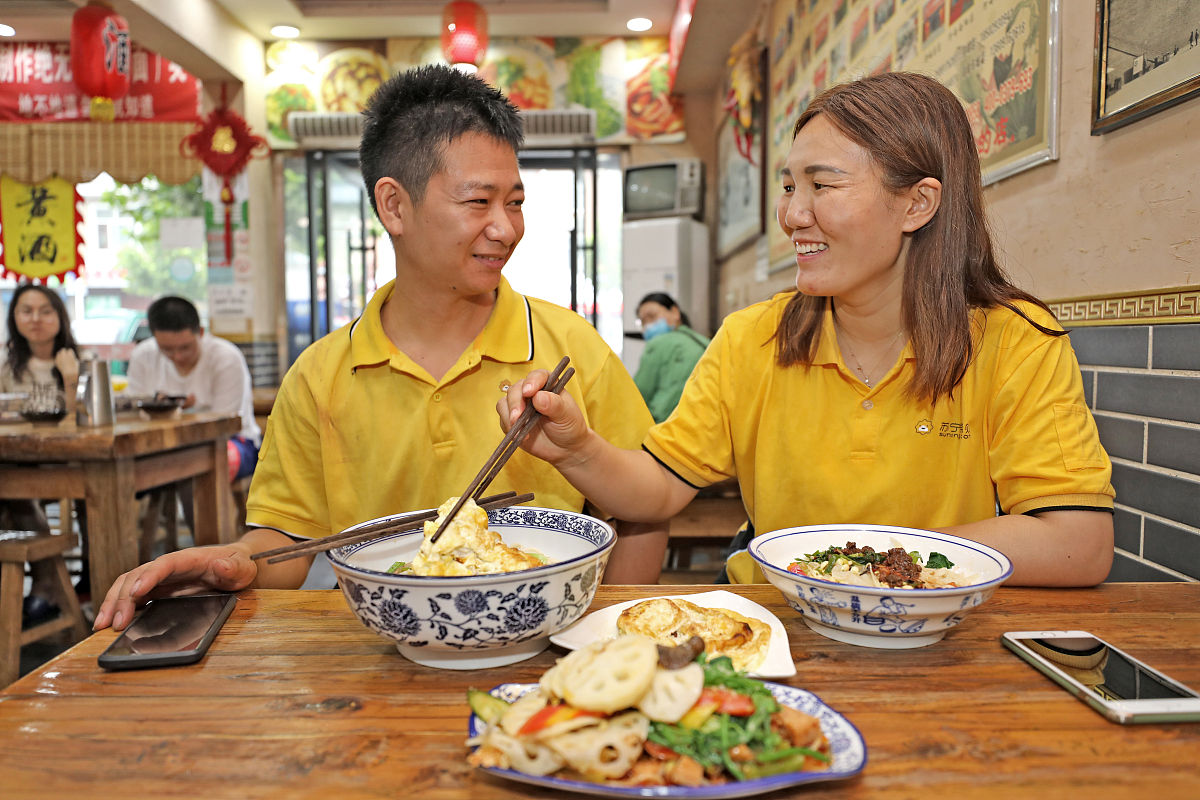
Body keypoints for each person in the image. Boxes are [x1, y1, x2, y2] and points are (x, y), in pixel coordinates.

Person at [94, 64, 666, 632]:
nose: (506, 228)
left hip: (545, 652)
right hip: (376, 656)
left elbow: (645, 511)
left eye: (514, 202)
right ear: (393, 205)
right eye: (478, 201)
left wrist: (604, 642)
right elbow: (287, 538)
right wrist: (230, 562)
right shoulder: (321, 374)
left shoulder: (571, 348)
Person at [501, 72, 1114, 587]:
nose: (794, 214)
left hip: (931, 640)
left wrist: (872, 566)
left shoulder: (1015, 341)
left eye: (823, 185)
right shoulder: (752, 338)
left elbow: (1078, 543)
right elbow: (659, 488)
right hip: (773, 629)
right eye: (790, 186)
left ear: (917, 204)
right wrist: (577, 450)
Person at [1, 284, 82, 623]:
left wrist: (70, 380)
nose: (35, 319)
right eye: (26, 311)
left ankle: (48, 585)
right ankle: (43, 586)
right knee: (11, 493)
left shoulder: (79, 360)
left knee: (15, 495)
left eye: (45, 311)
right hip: (16, 461)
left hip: (73, 463)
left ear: (59, 317)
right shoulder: (6, 366)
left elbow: (86, 421)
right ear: (14, 318)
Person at [126, 295, 261, 482]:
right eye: (167, 349)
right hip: (162, 445)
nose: (177, 356)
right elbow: (134, 413)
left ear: (201, 332)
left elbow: (223, 426)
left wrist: (178, 411)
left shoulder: (225, 358)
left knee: (206, 463)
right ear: (154, 337)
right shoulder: (143, 355)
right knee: (128, 467)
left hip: (235, 441)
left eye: (185, 348)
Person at [633, 292, 710, 422]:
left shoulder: (657, 344)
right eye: (643, 321)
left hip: (663, 425)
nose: (648, 325)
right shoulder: (706, 342)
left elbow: (638, 396)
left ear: (675, 312)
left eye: (652, 316)